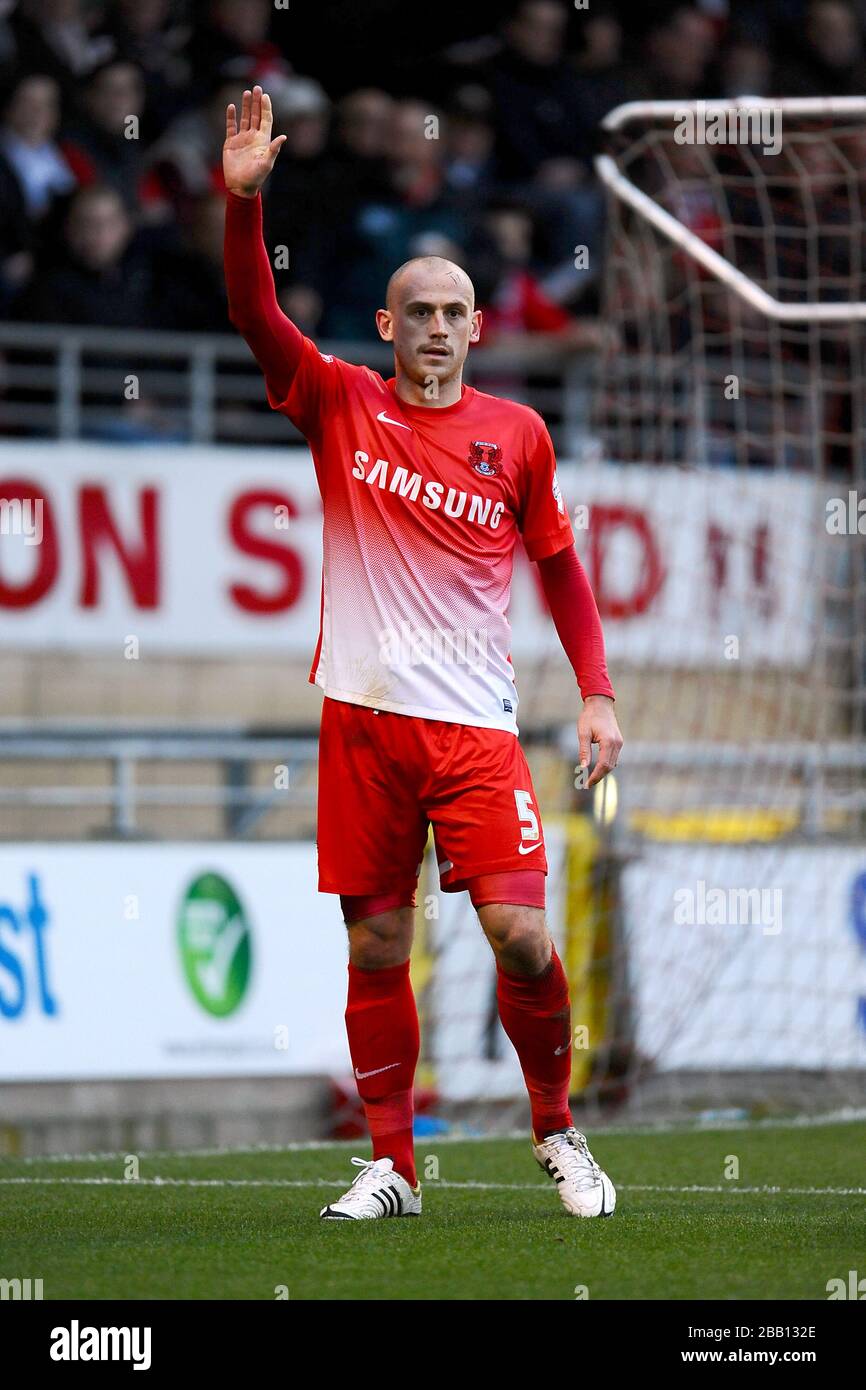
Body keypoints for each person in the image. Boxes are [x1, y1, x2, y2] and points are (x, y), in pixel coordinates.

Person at [223, 87, 623, 1222]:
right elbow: (256, 319)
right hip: (358, 716)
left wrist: (595, 693)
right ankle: (393, 1163)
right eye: (419, 310)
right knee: (376, 941)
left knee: (522, 937)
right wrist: (243, 208)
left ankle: (556, 1130)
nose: (440, 325)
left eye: (456, 309)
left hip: (474, 730)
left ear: (477, 328)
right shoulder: (339, 403)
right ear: (387, 328)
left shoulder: (518, 436)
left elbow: (557, 563)